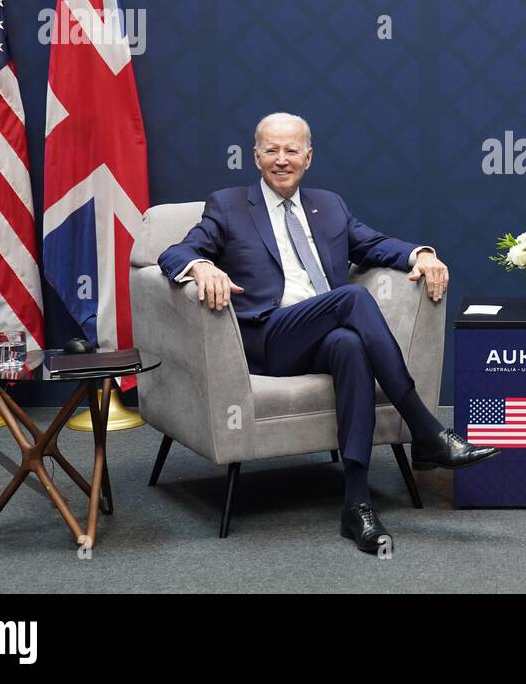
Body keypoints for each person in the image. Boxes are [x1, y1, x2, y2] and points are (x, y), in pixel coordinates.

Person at [158, 112, 498, 553]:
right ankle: (425, 428)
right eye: (272, 150)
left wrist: (421, 254)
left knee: (350, 345)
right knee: (352, 300)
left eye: (292, 150)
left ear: (308, 157)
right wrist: (201, 265)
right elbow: (175, 251)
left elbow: (374, 245)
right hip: (266, 339)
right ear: (256, 156)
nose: (282, 159)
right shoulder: (227, 206)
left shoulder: (329, 205)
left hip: (319, 336)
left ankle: (357, 505)